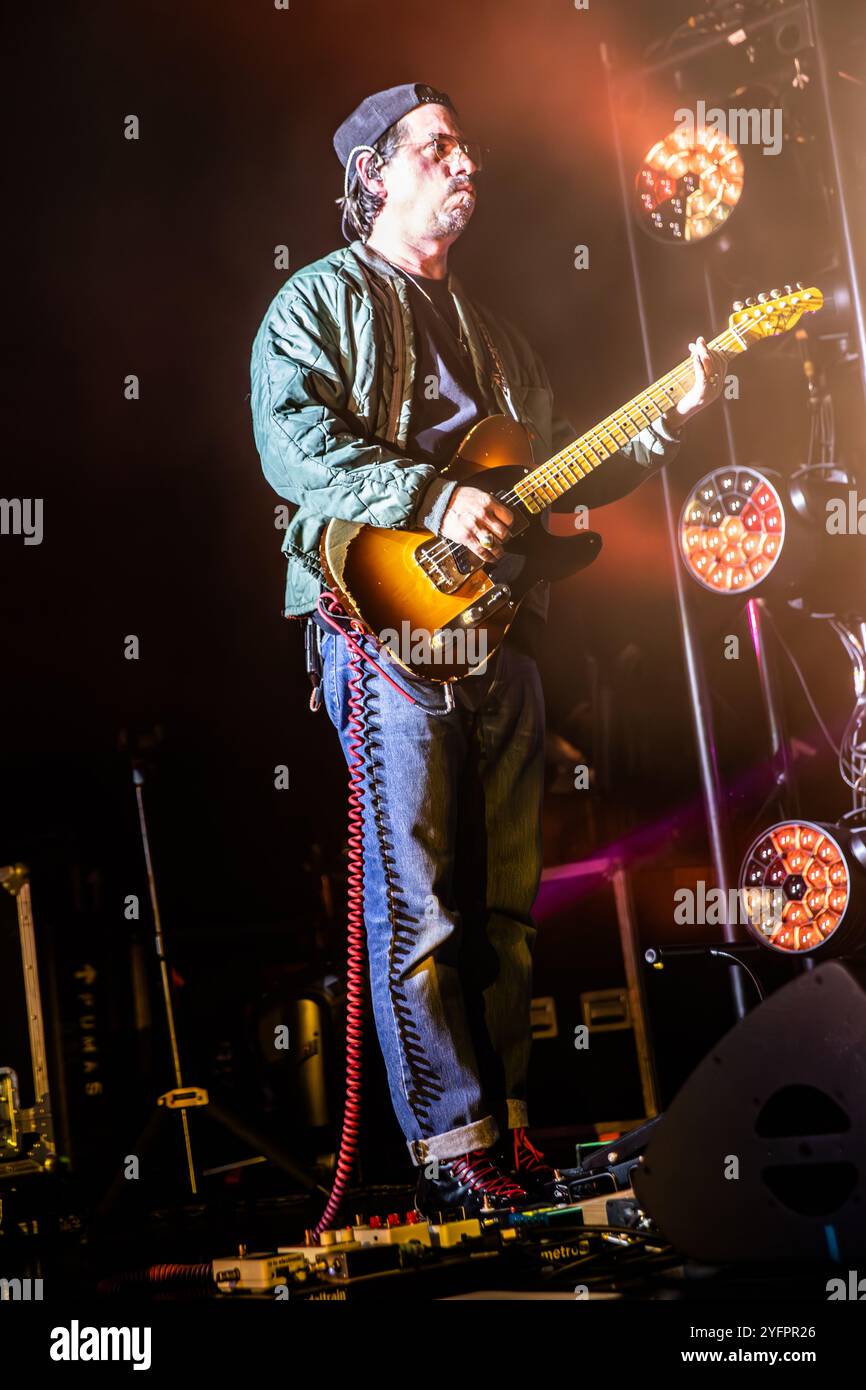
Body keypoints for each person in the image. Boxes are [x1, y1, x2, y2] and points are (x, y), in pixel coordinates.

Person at [250, 82, 725, 1217]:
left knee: (505, 901)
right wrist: (428, 492)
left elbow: (548, 477)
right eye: (437, 147)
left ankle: (503, 1137)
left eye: (466, 146)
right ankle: (451, 1142)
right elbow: (293, 443)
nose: (466, 163)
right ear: (373, 174)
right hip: (380, 620)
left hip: (498, 637)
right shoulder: (313, 304)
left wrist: (659, 423)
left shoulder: (497, 339)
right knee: (420, 901)